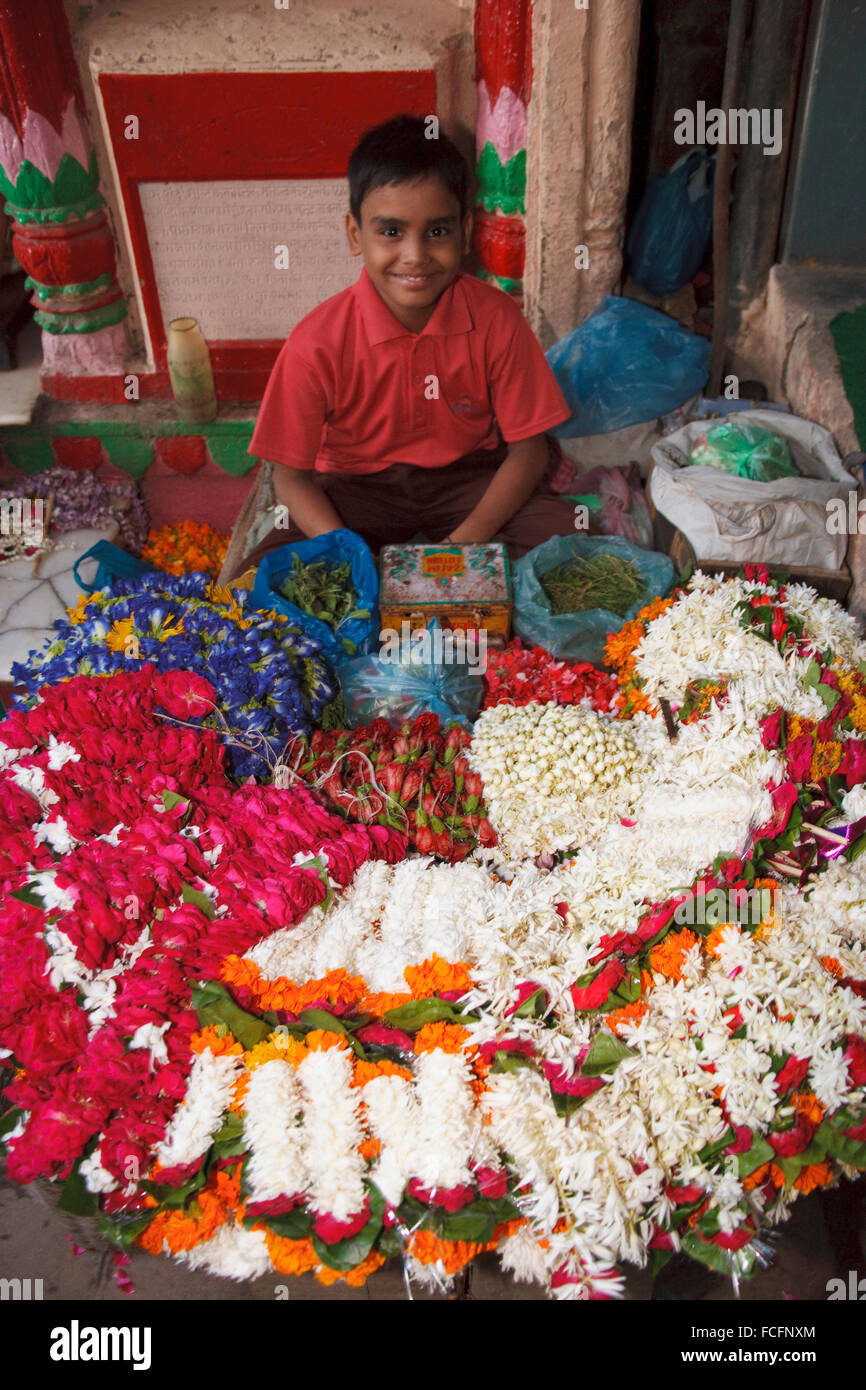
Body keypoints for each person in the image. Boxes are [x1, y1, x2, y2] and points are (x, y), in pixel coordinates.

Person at [230, 113, 579, 580]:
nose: (415, 255)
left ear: (465, 231)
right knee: (270, 574)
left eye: (437, 231)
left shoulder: (497, 318)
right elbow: (290, 477)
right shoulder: (316, 342)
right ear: (355, 234)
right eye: (391, 232)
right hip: (355, 490)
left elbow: (528, 453)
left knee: (566, 546)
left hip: (466, 479)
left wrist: (460, 548)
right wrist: (352, 555)